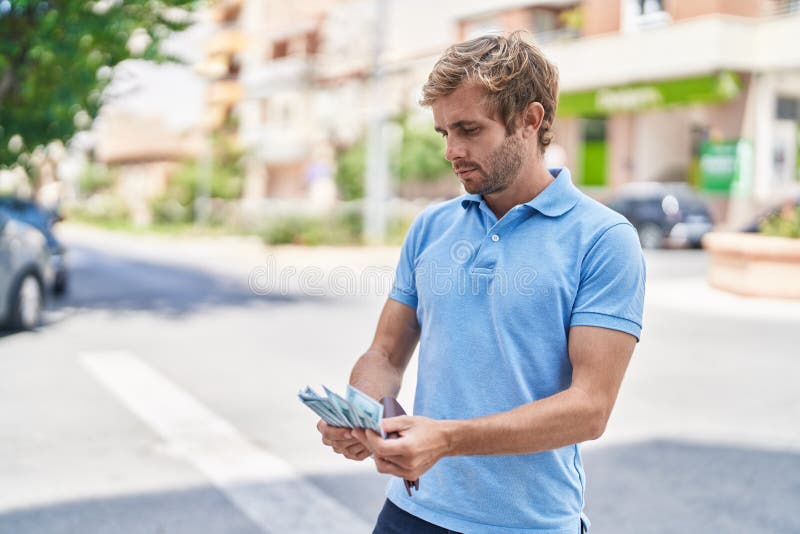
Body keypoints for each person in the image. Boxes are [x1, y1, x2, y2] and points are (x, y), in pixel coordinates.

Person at [317, 32, 645, 534]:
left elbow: (590, 408)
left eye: (469, 129)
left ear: (530, 121)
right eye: (443, 132)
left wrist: (446, 439)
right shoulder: (431, 226)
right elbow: (383, 354)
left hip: (530, 525)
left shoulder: (602, 239)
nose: (452, 151)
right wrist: (362, 413)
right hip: (411, 514)